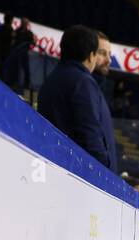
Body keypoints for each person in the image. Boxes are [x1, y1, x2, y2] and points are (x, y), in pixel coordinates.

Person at [37, 25, 118, 172]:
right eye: (101, 53)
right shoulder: (82, 82)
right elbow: (90, 136)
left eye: (110, 54)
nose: (108, 60)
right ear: (90, 55)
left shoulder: (52, 79)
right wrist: (106, 173)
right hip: (79, 177)